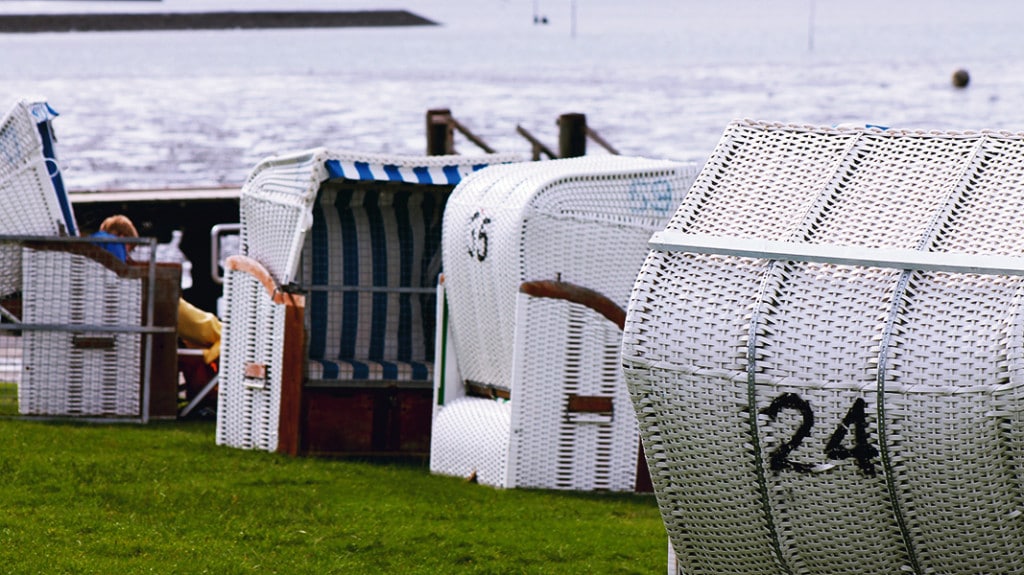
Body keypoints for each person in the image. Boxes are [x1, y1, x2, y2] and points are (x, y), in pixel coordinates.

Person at [95, 214, 222, 413]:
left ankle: (206, 395)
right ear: (122, 236)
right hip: (185, 317)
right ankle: (209, 396)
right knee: (218, 334)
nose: (129, 256)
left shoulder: (96, 245)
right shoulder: (112, 243)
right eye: (130, 249)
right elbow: (121, 275)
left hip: (170, 316)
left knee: (203, 335)